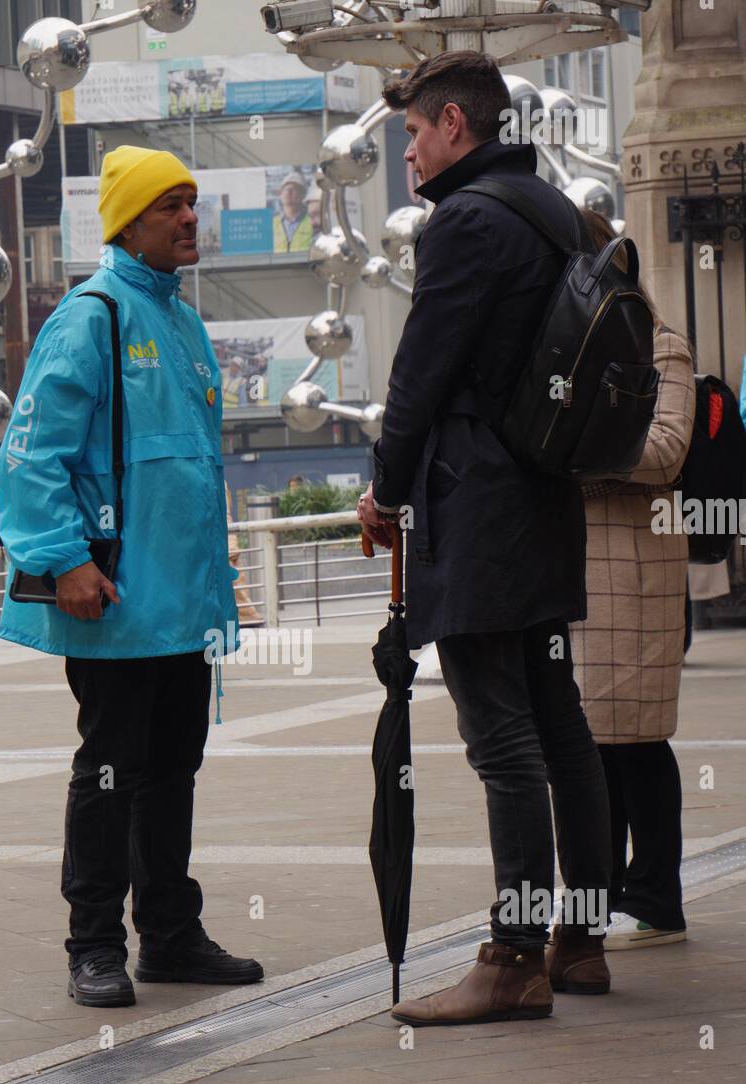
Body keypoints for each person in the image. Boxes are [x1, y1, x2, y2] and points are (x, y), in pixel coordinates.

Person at [357, 51, 613, 1026]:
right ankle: (579, 936)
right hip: (545, 497)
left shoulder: (463, 223)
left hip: (478, 506)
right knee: (558, 720)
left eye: (415, 135)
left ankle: (513, 957)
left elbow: (422, 372)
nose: (411, 155)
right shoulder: (555, 210)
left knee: (501, 732)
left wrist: (385, 488)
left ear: (455, 124)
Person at [0, 144, 263, 1008]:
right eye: (168, 207)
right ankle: (93, 946)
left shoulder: (180, 320)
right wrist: (63, 559)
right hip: (110, 596)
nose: (189, 218)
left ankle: (171, 935)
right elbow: (30, 458)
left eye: (192, 202)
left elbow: (186, 472)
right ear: (126, 223)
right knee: (109, 768)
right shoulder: (91, 317)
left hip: (180, 602)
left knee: (173, 766)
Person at [571, 210, 695, 950]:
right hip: (572, 564)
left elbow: (667, 449)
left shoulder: (660, 343)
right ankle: (599, 894)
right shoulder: (563, 348)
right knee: (584, 742)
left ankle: (654, 893)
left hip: (636, 569)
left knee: (636, 739)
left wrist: (573, 458)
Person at [273, 171, 315, 254]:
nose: (288, 192)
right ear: (280, 194)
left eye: (293, 189)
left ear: (303, 194)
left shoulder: (312, 222)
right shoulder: (272, 223)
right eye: (285, 189)